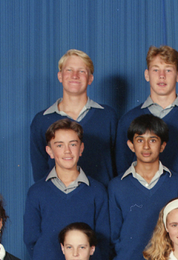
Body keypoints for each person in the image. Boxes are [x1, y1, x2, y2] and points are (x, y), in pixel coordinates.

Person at [109, 114, 178, 260]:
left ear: (163, 146)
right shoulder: (117, 186)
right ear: (131, 145)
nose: (146, 146)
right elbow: (114, 234)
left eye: (153, 140)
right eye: (140, 140)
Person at [25, 118, 111, 260]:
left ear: (81, 149)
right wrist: (45, 258)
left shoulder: (97, 191)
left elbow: (104, 238)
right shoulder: (37, 192)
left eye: (72, 144)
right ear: (49, 151)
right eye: (59, 145)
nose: (67, 151)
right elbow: (31, 238)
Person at [115, 45, 178, 177]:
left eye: (168, 70)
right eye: (156, 70)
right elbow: (122, 171)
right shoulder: (128, 120)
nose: (162, 76)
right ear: (146, 75)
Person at [30, 49, 117, 186]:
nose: (75, 75)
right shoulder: (41, 121)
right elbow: (40, 173)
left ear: (90, 78)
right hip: (58, 202)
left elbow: (119, 166)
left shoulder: (108, 116)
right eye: (69, 70)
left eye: (82, 71)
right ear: (60, 76)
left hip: (101, 202)